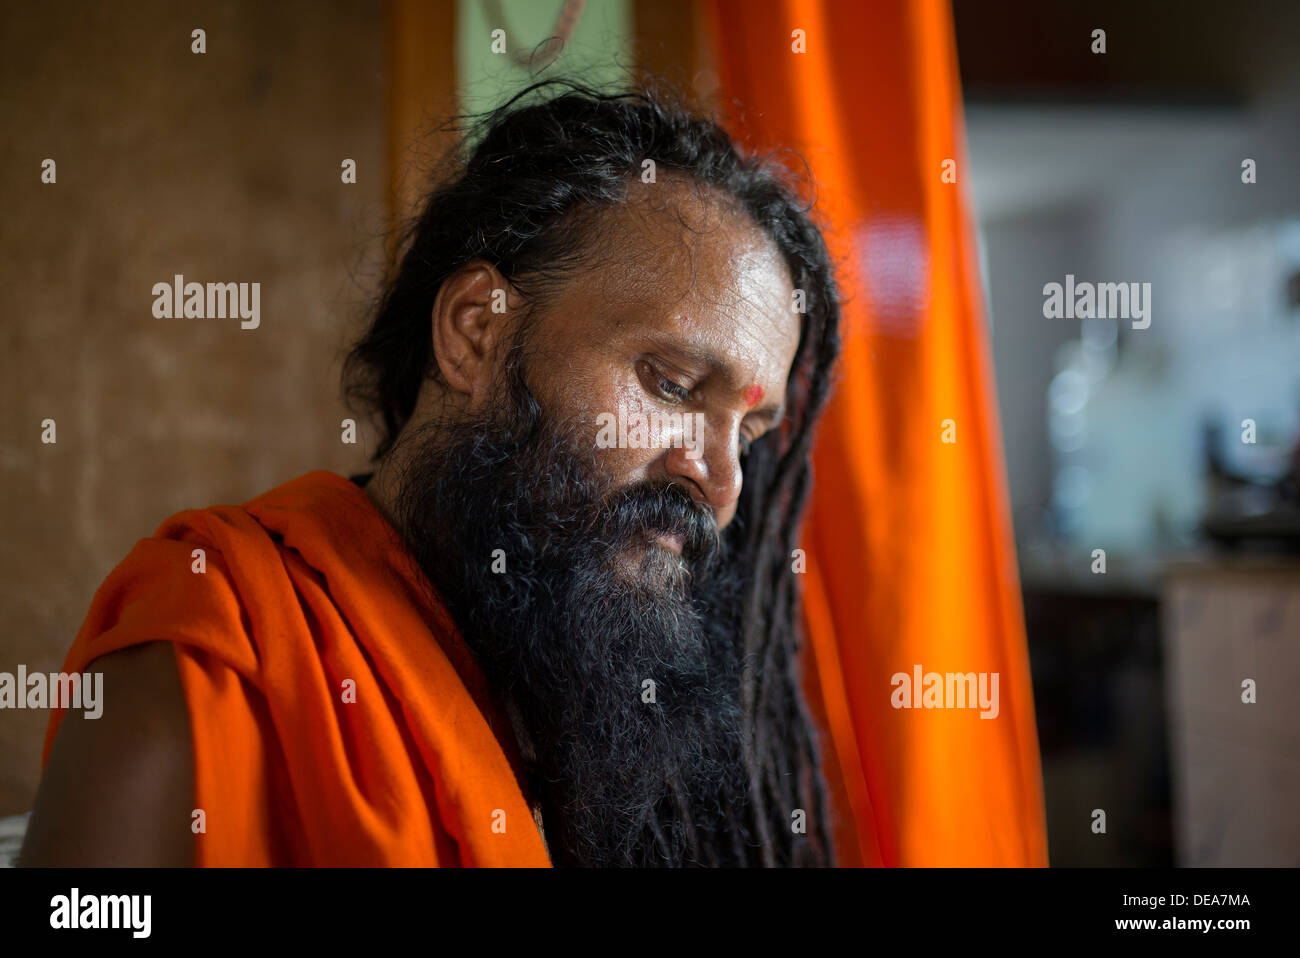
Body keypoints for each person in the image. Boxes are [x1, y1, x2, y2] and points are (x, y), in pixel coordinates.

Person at [19, 80, 842, 867]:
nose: (722, 484)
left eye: (753, 432)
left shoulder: (620, 710)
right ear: (476, 331)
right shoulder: (217, 639)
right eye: (670, 385)